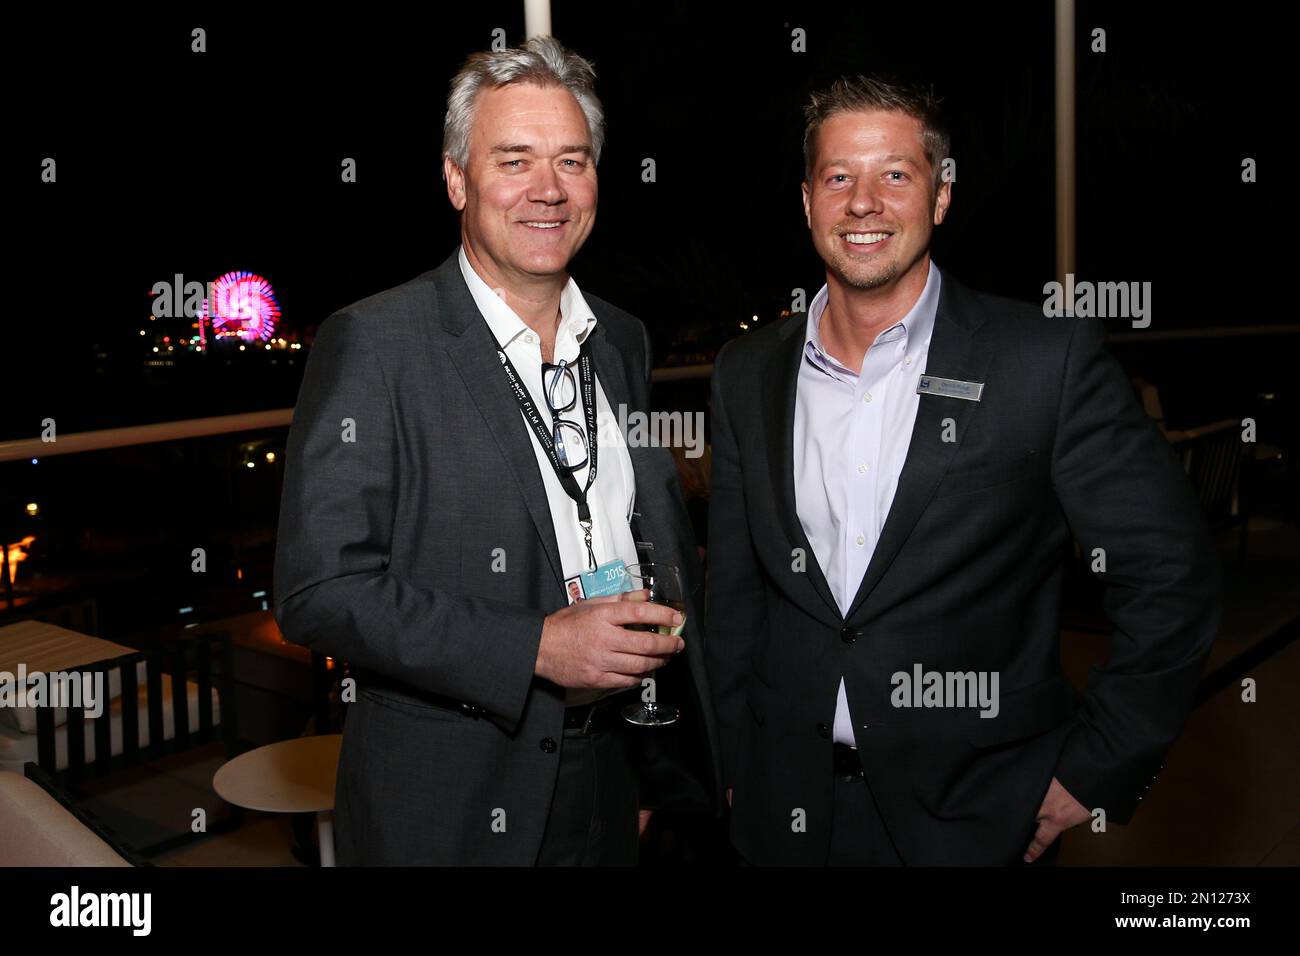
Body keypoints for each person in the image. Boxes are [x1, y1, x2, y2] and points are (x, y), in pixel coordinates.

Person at [704, 75, 1221, 866]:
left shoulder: (1044, 362)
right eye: (839, 176)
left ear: (940, 196)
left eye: (896, 175)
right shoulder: (746, 373)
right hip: (783, 812)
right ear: (808, 200)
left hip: (976, 819)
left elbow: (1172, 575)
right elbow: (735, 594)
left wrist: (1093, 770)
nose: (864, 202)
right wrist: (732, 764)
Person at [274, 36, 719, 865]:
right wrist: (537, 649)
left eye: (572, 161)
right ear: (456, 179)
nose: (548, 190)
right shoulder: (375, 343)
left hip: (612, 770)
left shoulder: (621, 340)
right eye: (514, 160)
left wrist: (656, 773)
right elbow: (318, 590)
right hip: (451, 801)